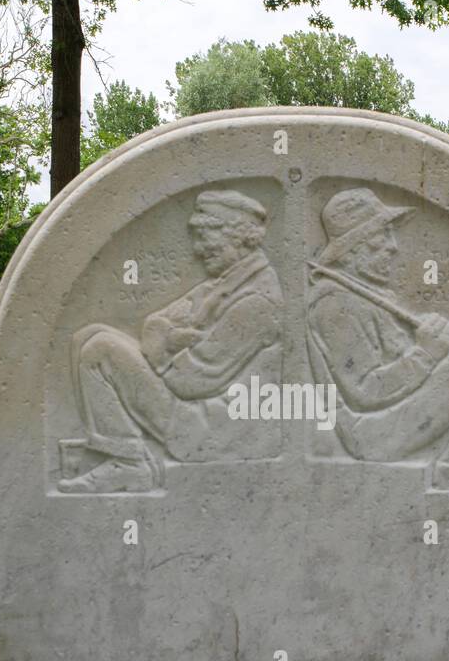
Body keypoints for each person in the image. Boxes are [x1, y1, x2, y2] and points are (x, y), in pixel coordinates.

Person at [306, 188, 449, 489]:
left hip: (399, 412)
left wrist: (441, 352)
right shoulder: (334, 304)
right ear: (353, 250)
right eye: (382, 238)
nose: (393, 248)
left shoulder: (370, 295)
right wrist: (426, 352)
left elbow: (409, 366)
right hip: (373, 432)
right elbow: (366, 392)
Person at [58, 190, 283, 492]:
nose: (198, 250)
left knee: (100, 350)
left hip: (214, 428)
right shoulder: (222, 284)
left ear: (238, 237)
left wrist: (165, 344)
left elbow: (190, 381)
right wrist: (172, 339)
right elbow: (154, 325)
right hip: (196, 409)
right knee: (87, 335)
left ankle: (130, 465)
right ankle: (121, 454)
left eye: (206, 236)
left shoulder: (256, 300)